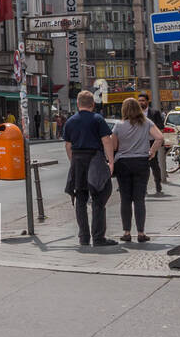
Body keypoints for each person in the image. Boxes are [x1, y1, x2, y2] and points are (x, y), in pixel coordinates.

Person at [63, 90, 119, 248]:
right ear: (92, 104)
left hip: (78, 160)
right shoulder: (97, 119)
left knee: (80, 199)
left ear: (78, 104)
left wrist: (72, 162)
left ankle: (84, 237)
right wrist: (111, 161)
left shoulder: (70, 121)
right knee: (100, 196)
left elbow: (68, 146)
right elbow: (106, 141)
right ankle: (98, 237)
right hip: (95, 159)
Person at [112, 98, 163, 243]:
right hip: (141, 162)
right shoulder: (147, 123)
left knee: (125, 199)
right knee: (139, 199)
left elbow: (114, 146)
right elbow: (159, 137)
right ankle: (141, 233)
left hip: (123, 163)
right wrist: (151, 151)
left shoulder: (118, 125)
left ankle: (126, 232)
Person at [137, 92, 167, 196]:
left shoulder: (154, 113)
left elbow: (160, 126)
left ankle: (158, 185)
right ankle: (143, 188)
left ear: (147, 101)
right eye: (139, 101)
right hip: (140, 143)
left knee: (154, 165)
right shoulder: (135, 113)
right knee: (142, 167)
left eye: (143, 100)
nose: (141, 103)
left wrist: (151, 130)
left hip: (152, 142)